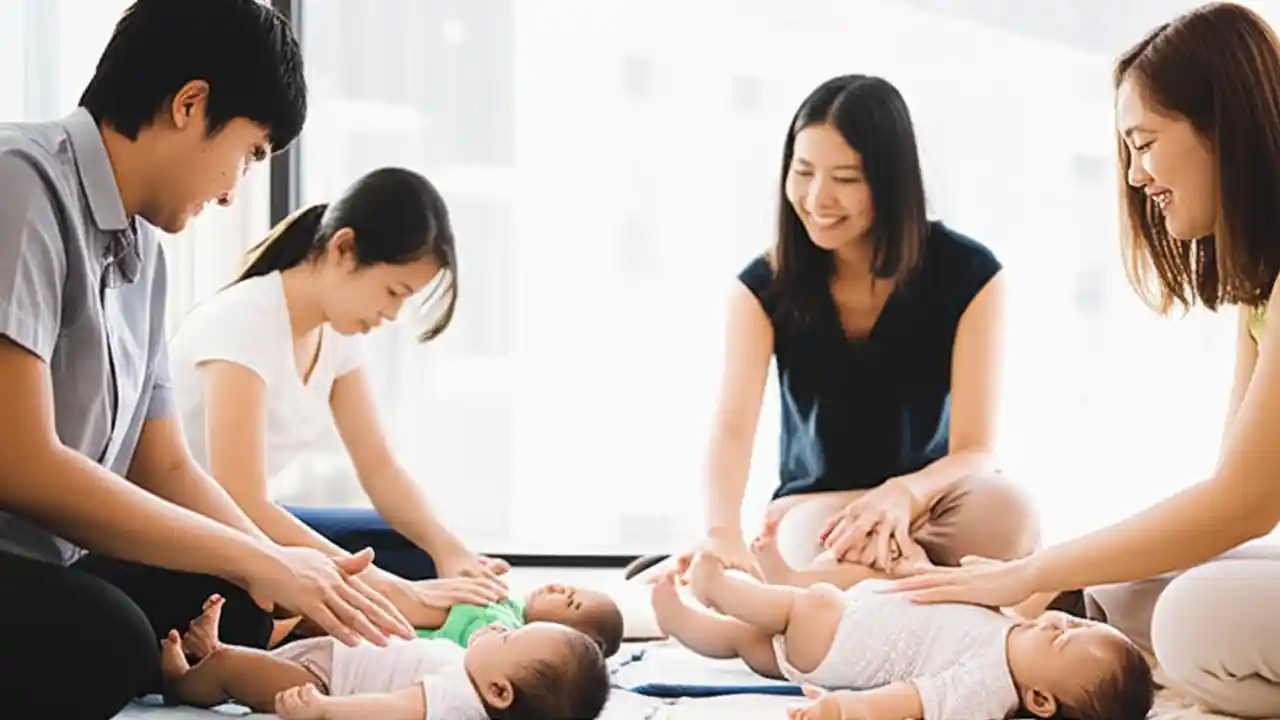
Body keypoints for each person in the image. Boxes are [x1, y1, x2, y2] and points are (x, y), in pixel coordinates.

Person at [0, 1, 412, 717]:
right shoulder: (20, 184)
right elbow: (20, 461)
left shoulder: (144, 252)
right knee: (111, 640)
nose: (231, 192)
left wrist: (277, 564)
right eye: (250, 155)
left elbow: (163, 465)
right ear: (191, 104)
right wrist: (257, 557)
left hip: (52, 554)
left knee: (241, 607)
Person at [891, 4, 1280, 718]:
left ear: (1223, 127)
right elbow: (1236, 492)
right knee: (1119, 598)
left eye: (1144, 142)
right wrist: (1045, 579)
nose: (1135, 175)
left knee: (1189, 620)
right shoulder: (1263, 289)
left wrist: (1033, 568)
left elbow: (1245, 506)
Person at [636, 73, 1036, 585]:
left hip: (928, 500)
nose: (818, 198)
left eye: (845, 179)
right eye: (803, 172)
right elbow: (731, 431)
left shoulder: (970, 274)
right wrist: (722, 533)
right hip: (820, 514)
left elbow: (975, 450)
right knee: (820, 555)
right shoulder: (763, 286)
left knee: (1010, 513)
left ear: (891, 183)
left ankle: (891, 585)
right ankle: (922, 589)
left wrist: (903, 494)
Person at [167, 166, 510, 626]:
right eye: (393, 292)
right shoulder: (242, 322)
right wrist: (392, 590)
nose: (391, 313)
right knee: (365, 583)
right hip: (201, 531)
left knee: (415, 549)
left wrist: (452, 551)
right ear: (343, 249)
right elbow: (241, 501)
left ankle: (347, 604)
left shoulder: (336, 334)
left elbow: (379, 466)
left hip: (251, 521)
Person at [652, 552, 1153, 720]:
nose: (1057, 623)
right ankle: (682, 623)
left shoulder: (986, 687)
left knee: (807, 602)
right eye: (1075, 622)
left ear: (1041, 700)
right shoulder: (1013, 629)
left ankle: (716, 586)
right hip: (850, 624)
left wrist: (843, 710)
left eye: (1061, 640)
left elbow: (910, 700)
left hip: (838, 639)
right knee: (747, 643)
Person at [160, 594, 610, 720]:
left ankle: (186, 678)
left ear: (499, 691)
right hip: (335, 659)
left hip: (321, 682)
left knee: (236, 671)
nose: (500, 632)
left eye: (510, 641)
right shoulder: (474, 676)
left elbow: (392, 709)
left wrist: (323, 711)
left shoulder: (456, 702)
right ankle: (211, 653)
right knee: (271, 643)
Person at [416, 583, 624, 658]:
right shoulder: (511, 605)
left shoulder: (505, 638)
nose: (556, 588)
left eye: (569, 601)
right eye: (569, 588)